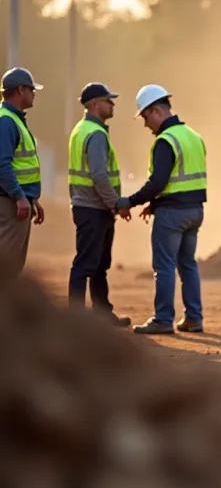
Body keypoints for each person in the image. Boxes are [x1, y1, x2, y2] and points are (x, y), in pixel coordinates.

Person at [116, 85, 207, 334]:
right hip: (195, 211)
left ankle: (163, 319)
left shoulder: (166, 141)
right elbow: (180, 182)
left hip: (172, 216)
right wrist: (154, 204)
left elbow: (158, 182)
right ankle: (194, 318)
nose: (146, 125)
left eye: (146, 117)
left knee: (164, 266)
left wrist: (130, 202)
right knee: (188, 265)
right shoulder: (192, 136)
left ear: (156, 110)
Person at [68, 83, 132, 327]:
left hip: (92, 207)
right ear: (95, 104)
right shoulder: (95, 134)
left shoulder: (82, 130)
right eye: (108, 100)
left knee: (98, 266)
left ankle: (102, 315)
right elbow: (99, 175)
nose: (112, 104)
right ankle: (76, 320)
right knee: (86, 265)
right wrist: (116, 203)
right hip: (93, 208)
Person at [0, 67, 45, 270]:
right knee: (7, 265)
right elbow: (2, 165)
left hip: (17, 201)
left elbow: (19, 166)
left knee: (14, 264)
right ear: (20, 90)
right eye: (31, 89)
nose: (33, 94)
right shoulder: (6, 121)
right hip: (9, 204)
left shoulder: (13, 119)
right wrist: (19, 196)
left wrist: (32, 198)